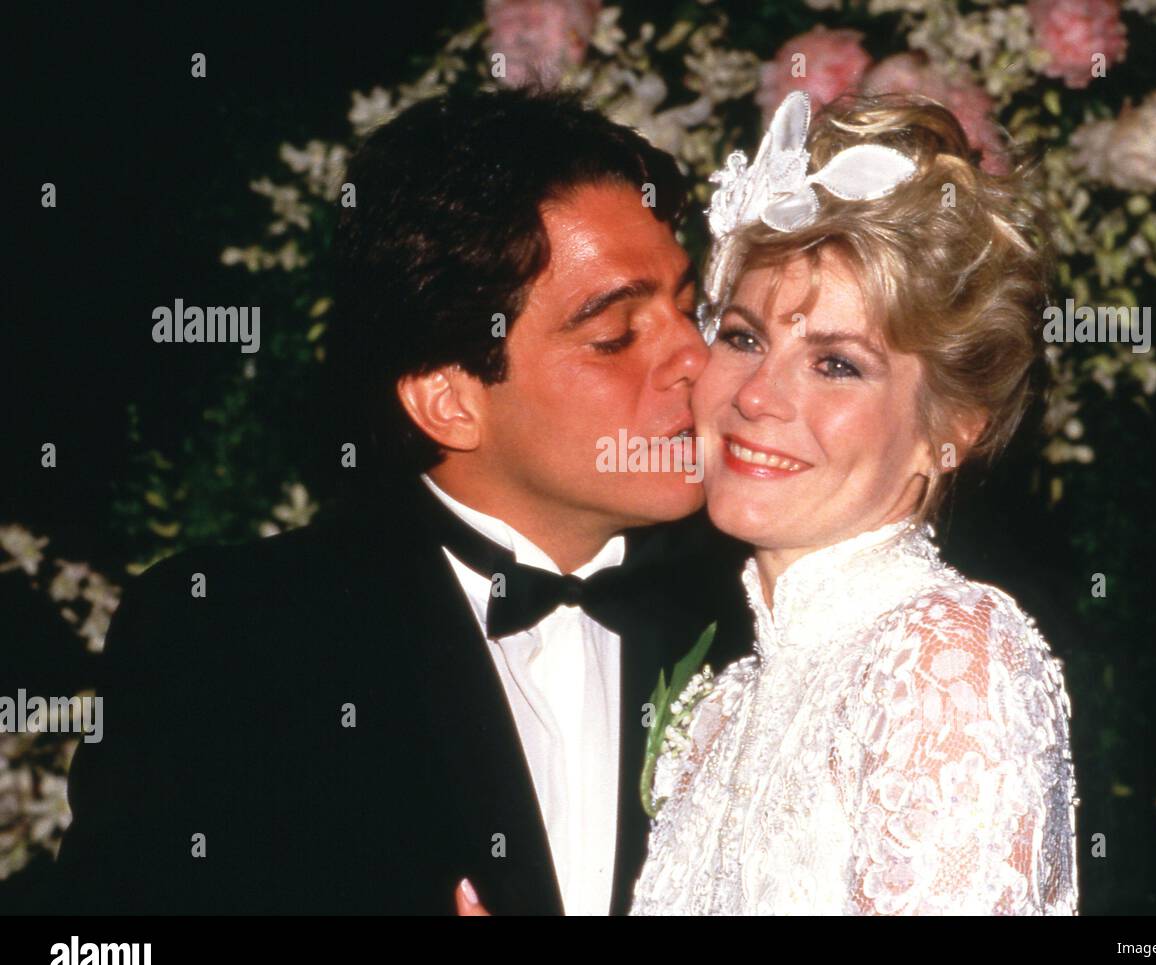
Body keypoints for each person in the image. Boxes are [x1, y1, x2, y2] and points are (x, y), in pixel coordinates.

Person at [56, 88, 754, 915]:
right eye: (613, 336)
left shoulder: (771, 607)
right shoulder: (228, 639)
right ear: (448, 401)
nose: (696, 357)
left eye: (688, 308)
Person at [628, 90, 1080, 915]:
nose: (758, 396)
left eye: (837, 363)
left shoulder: (945, 660)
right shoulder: (723, 707)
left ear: (949, 432)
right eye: (743, 337)